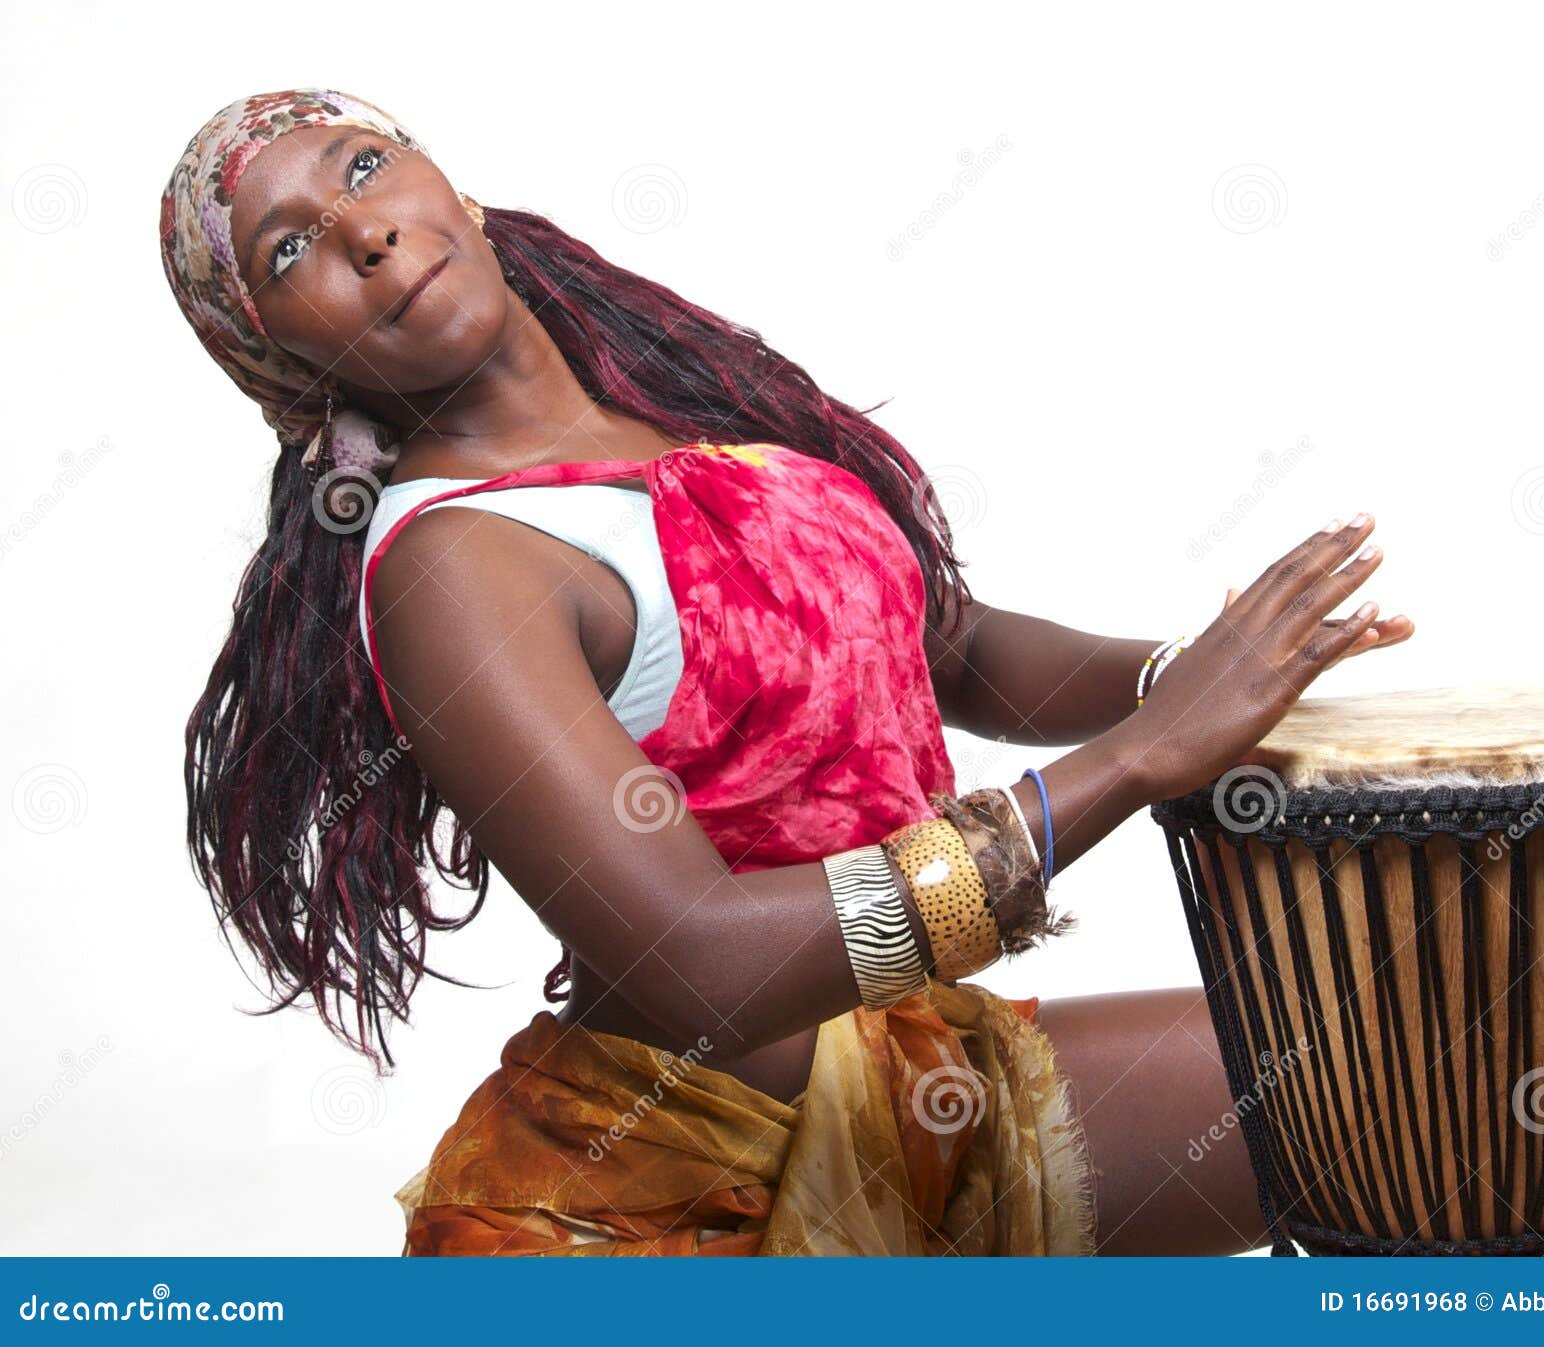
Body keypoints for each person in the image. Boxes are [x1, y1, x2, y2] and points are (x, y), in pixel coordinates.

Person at [162, 89, 1414, 1257]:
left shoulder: (679, 409)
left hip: (921, 1094)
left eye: (366, 167)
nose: (364, 232)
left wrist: (1192, 679)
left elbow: (952, 648)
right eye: (289, 251)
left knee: (1411, 1086)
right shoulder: (453, 570)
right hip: (663, 1209)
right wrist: (1139, 761)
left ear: (451, 186)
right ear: (276, 361)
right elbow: (699, 969)